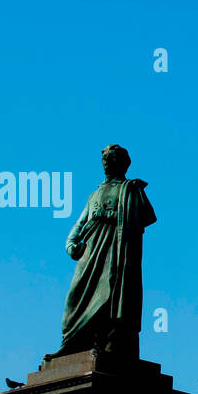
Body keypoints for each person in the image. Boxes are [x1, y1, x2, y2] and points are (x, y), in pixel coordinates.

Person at [56, 144, 156, 359]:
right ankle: (73, 343)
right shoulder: (94, 194)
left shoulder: (132, 190)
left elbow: (145, 218)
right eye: (105, 160)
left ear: (123, 164)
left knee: (111, 295)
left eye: (112, 160)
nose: (107, 164)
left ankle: (105, 342)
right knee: (75, 296)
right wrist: (72, 239)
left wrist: (112, 216)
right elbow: (82, 221)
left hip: (117, 253)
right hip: (90, 253)